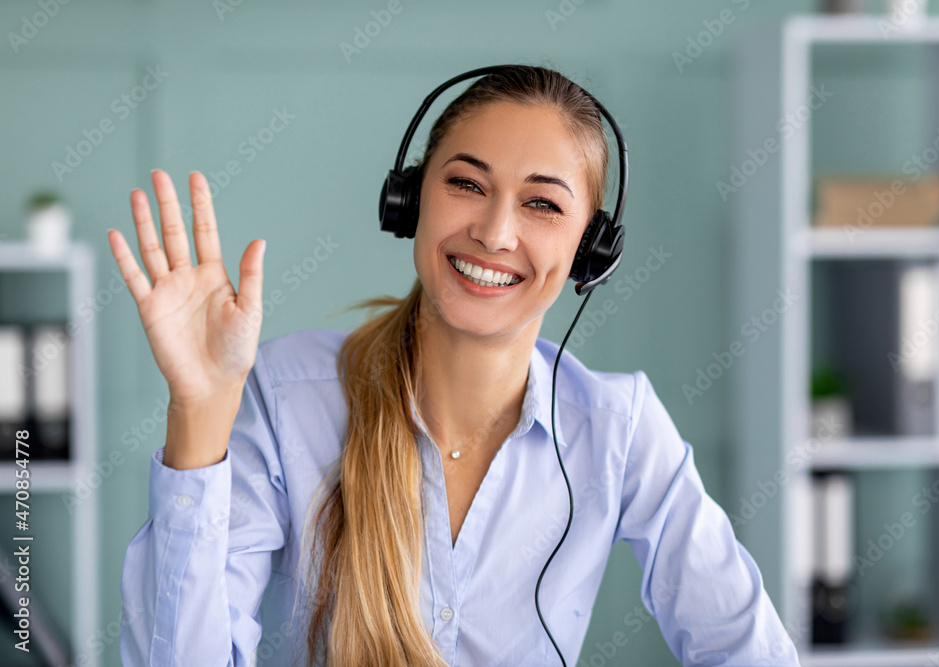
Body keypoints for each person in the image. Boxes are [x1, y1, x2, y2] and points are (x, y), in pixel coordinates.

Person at [111, 65, 800, 667]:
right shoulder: (291, 396)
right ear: (409, 202)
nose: (496, 232)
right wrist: (198, 412)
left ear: (592, 250)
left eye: (542, 203)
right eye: (468, 183)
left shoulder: (616, 428)